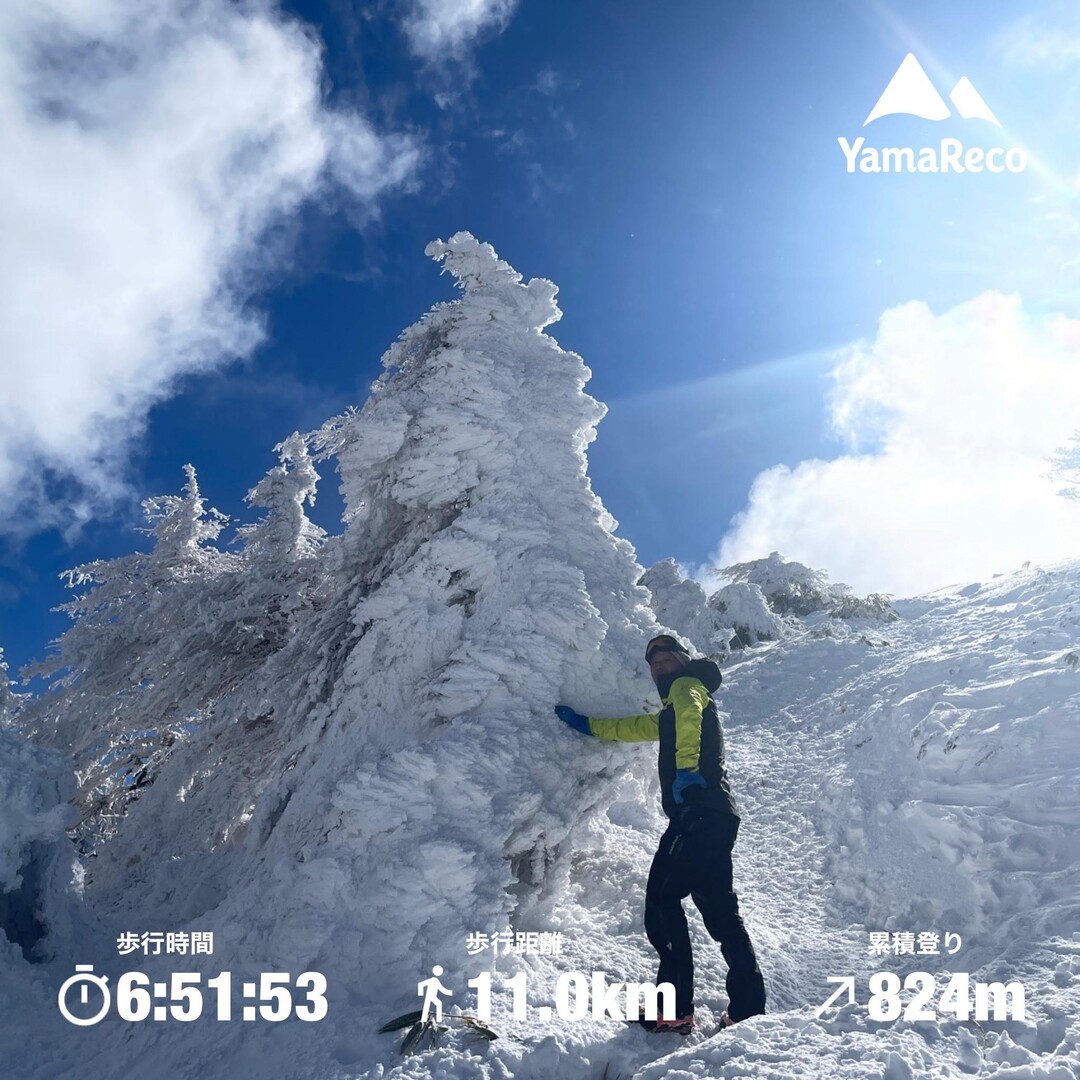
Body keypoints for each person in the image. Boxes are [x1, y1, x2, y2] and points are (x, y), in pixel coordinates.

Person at [555, 634, 766, 1035]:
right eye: (654, 664)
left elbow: (686, 721)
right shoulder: (675, 707)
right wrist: (588, 726)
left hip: (697, 812)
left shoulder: (689, 690)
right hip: (717, 817)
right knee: (721, 914)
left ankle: (673, 1009)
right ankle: (748, 1007)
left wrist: (686, 771)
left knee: (662, 899)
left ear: (684, 663)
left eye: (667, 660)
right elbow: (634, 727)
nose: (660, 668)